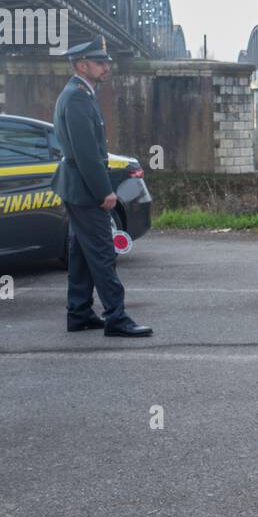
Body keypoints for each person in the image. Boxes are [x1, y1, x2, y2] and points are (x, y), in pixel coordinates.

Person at [52, 39, 153, 339]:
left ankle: (79, 312)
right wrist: (104, 191)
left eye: (106, 62)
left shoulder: (80, 94)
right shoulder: (77, 98)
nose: (106, 67)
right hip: (85, 190)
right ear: (82, 65)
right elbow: (86, 153)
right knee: (102, 252)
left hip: (77, 188)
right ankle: (117, 318)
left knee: (83, 252)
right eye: (100, 62)